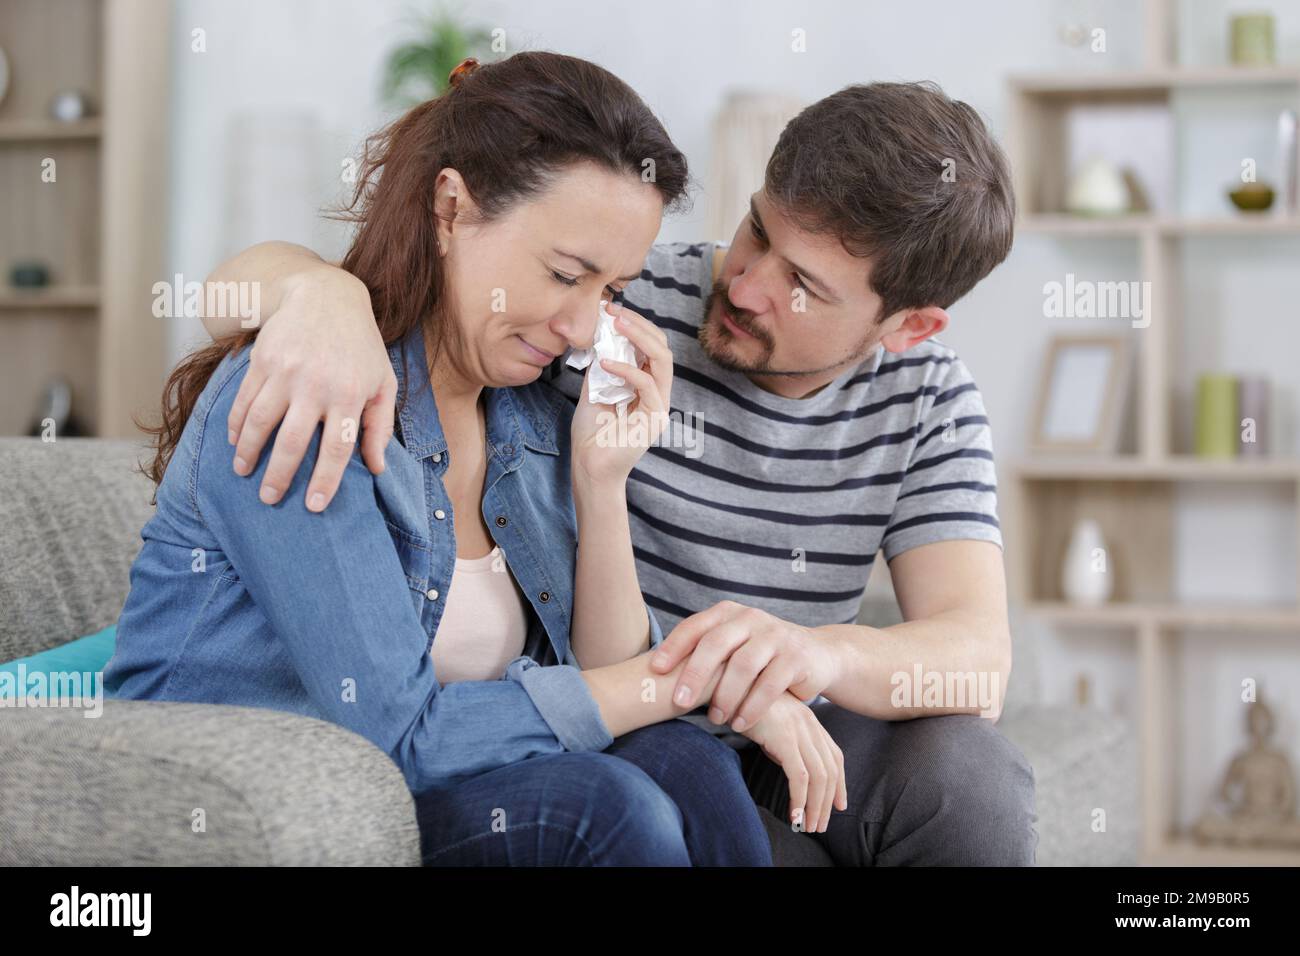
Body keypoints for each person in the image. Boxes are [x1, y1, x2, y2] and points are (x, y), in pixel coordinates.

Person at [199, 78, 1037, 865]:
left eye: (802, 286)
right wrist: (322, 296)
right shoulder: (605, 311)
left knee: (968, 783)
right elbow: (264, 297)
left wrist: (808, 658)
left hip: (777, 733)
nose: (745, 286)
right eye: (757, 232)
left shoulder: (926, 399)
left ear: (909, 327)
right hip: (634, 727)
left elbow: (975, 662)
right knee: (667, 794)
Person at [105, 52, 855, 867]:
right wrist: (693, 684)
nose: (579, 325)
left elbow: (593, 676)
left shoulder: (523, 411)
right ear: (452, 209)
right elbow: (400, 739)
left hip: (423, 804)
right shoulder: (311, 392)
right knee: (605, 807)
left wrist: (601, 485)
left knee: (685, 760)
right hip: (261, 814)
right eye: (565, 273)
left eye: (609, 289)